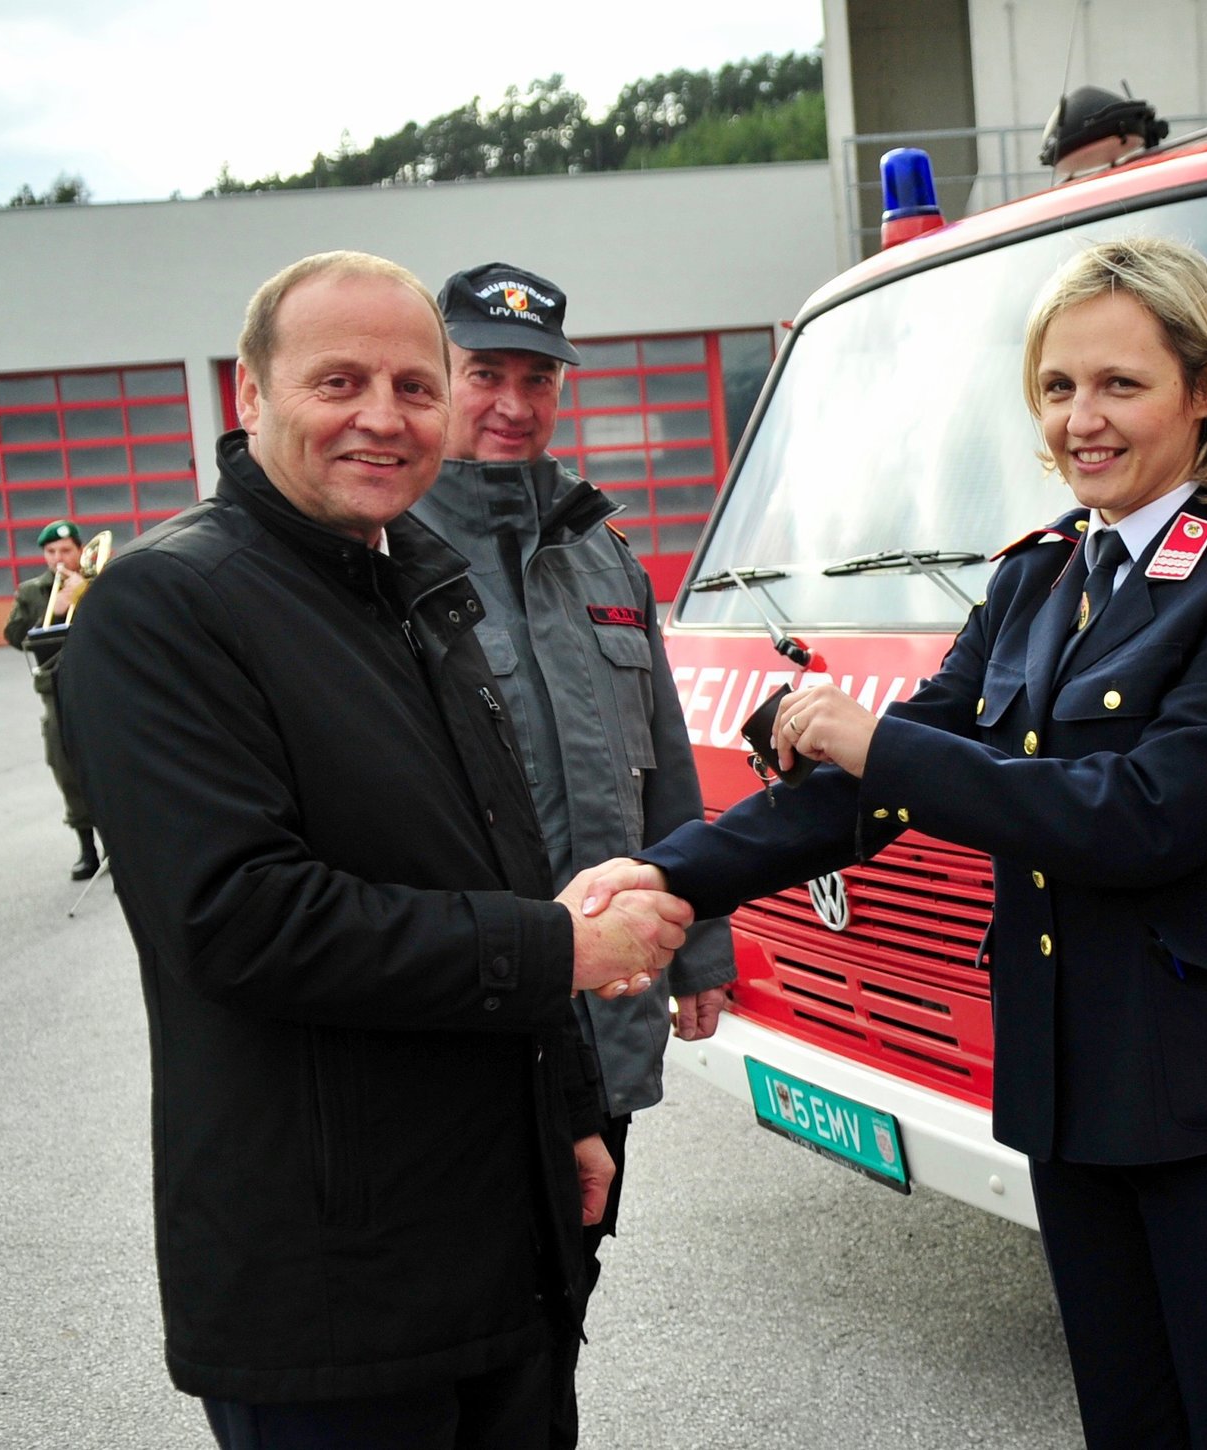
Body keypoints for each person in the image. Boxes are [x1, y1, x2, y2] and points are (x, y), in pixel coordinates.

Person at [577, 237, 1207, 1447]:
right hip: (1075, 1098)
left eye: (1119, 384)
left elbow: (1142, 815)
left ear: (1203, 389)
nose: (1080, 419)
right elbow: (871, 793)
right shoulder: (1036, 578)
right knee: (1130, 1427)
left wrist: (877, 744)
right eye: (1056, 387)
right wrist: (670, 871)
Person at [60, 250, 691, 1450]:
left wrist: (567, 1106)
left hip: (501, 1232)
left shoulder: (412, 584)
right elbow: (241, 917)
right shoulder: (168, 606)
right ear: (252, 393)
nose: (385, 417)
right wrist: (559, 948)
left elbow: (499, 858)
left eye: (412, 386)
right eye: (339, 381)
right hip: (335, 1279)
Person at [415, 260, 736, 1446]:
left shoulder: (602, 554)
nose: (513, 402)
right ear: (435, 377)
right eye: (483, 373)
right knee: (477, 1317)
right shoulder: (387, 554)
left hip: (603, 1010)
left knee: (566, 1289)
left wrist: (701, 944)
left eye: (537, 377)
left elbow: (665, 766)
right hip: (472, 1013)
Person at [2, 518, 99, 879]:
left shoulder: (98, 582)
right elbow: (14, 636)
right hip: (55, 690)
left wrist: (85, 594)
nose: (59, 558)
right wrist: (54, 610)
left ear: (79, 551)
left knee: (109, 763)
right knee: (65, 765)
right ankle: (87, 848)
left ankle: (118, 843)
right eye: (51, 551)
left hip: (99, 686)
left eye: (66, 550)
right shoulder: (31, 592)